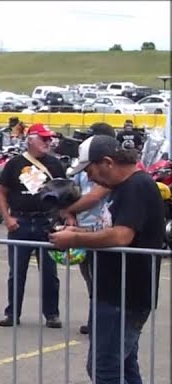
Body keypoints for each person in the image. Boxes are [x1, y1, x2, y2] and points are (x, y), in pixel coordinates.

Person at [49, 136, 161, 384]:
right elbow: (112, 229)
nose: (92, 178)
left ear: (108, 163)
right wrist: (79, 227)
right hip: (116, 291)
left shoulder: (137, 187)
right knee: (125, 368)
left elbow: (121, 236)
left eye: (92, 170)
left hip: (125, 295)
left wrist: (76, 238)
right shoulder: (125, 188)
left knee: (104, 370)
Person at [0, 123, 67, 328]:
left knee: (50, 273)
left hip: (46, 222)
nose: (48, 142)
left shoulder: (55, 164)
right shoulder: (14, 164)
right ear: (31, 140)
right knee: (16, 272)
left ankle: (52, 314)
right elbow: (1, 192)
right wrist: (7, 218)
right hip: (21, 222)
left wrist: (66, 218)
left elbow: (64, 194)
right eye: (43, 139)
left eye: (49, 139)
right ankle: (12, 313)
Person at [63, 131, 115, 336]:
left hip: (100, 231)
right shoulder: (81, 170)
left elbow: (94, 197)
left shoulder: (108, 174)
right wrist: (69, 215)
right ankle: (94, 319)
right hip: (81, 229)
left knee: (102, 281)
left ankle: (100, 321)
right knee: (90, 280)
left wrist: (70, 210)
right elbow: (71, 192)